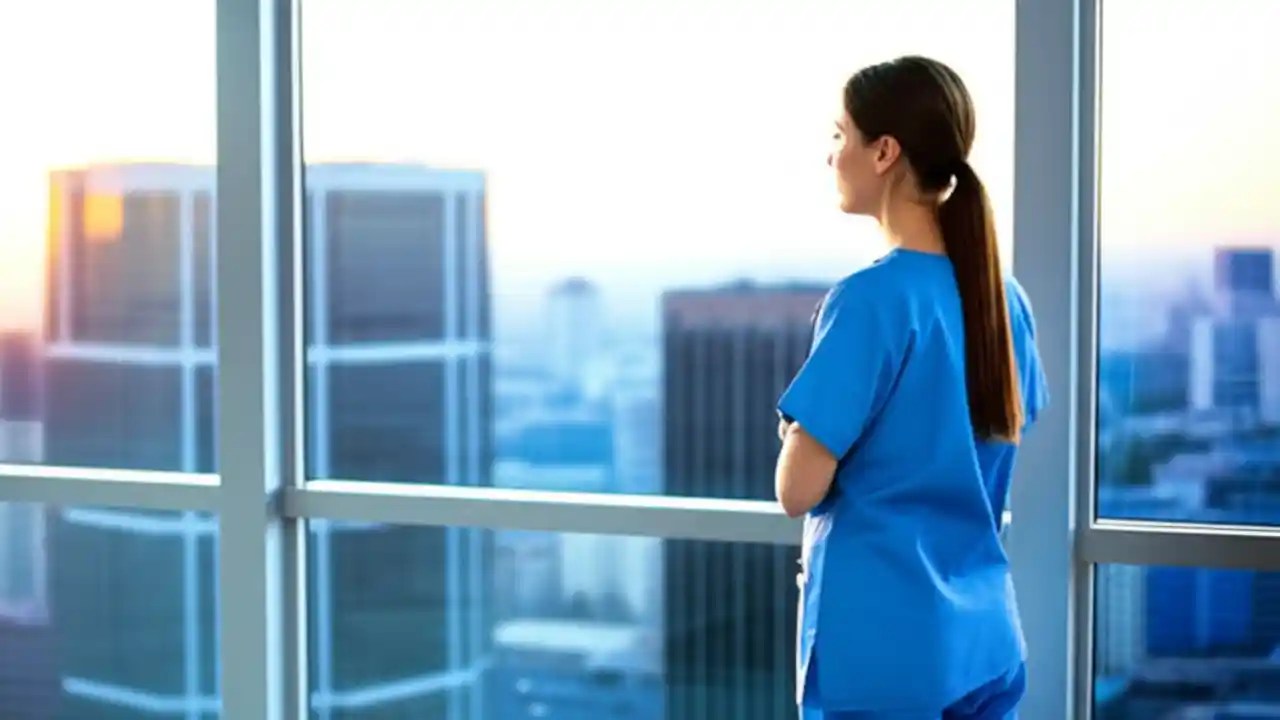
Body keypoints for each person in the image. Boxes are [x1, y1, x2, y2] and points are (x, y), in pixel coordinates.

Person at [774, 56, 1049, 720]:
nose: (831, 155)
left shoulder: (869, 300)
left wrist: (797, 435)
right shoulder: (1001, 299)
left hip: (881, 657)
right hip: (984, 643)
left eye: (841, 135)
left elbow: (796, 490)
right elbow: (995, 436)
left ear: (884, 152)